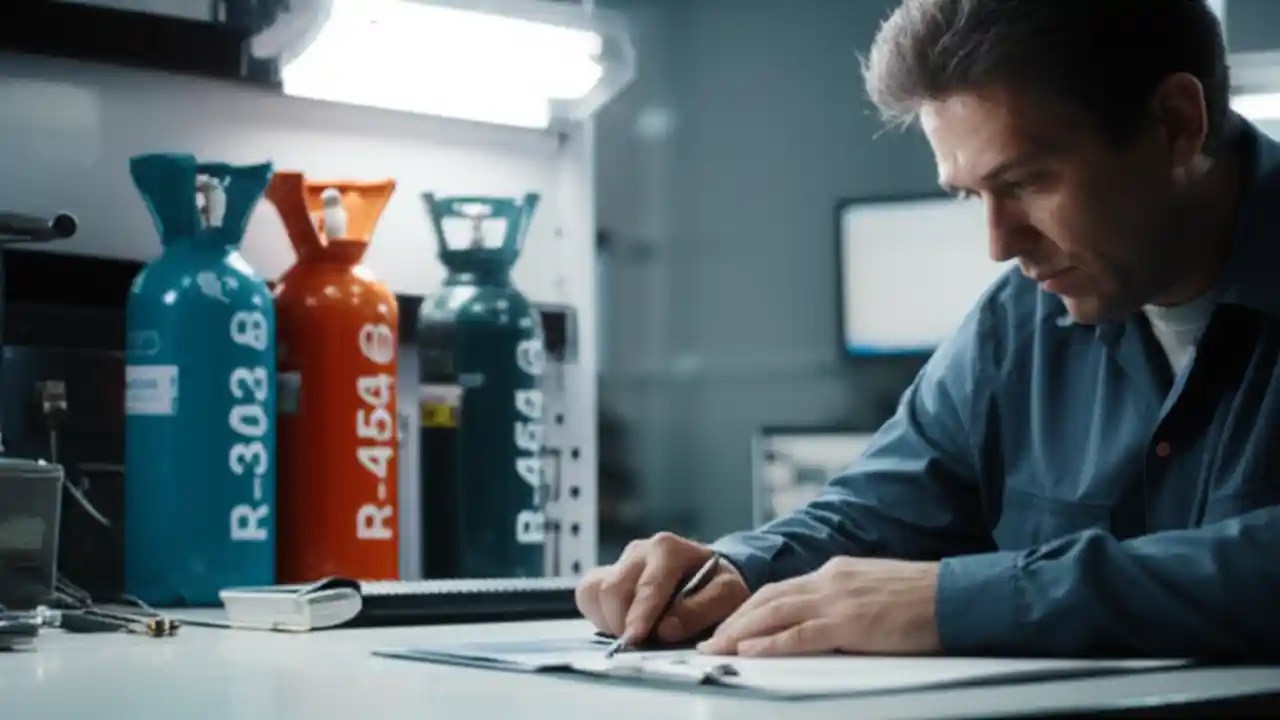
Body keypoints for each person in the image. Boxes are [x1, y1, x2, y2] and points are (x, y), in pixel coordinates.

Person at [575, 0, 1280, 660]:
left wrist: (961, 602)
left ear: (1175, 125)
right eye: (972, 195)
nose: (998, 246)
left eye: (1028, 182)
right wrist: (733, 569)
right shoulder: (1018, 323)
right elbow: (879, 511)